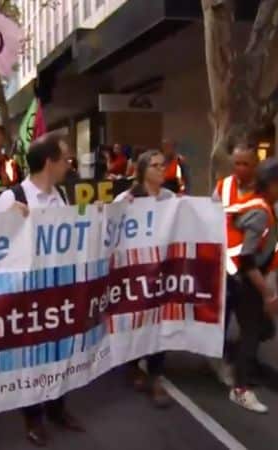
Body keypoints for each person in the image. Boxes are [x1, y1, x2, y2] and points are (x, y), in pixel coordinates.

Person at [0, 132, 85, 447]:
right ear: (50, 161)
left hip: (57, 291)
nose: (69, 165)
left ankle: (58, 407)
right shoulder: (12, 197)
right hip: (26, 294)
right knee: (31, 357)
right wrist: (9, 222)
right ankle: (32, 417)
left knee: (59, 352)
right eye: (66, 159)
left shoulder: (60, 196)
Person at [209, 142, 278, 387]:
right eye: (236, 163)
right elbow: (207, 217)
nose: (239, 168)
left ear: (255, 165)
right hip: (231, 265)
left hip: (263, 264)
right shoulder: (224, 187)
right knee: (232, 315)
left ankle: (245, 359)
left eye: (245, 163)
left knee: (261, 321)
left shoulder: (271, 192)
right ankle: (232, 363)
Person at [225, 158, 278, 414]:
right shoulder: (260, 212)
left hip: (246, 278)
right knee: (253, 331)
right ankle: (240, 389)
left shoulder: (268, 208)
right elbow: (247, 259)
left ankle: (236, 360)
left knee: (263, 328)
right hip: (241, 280)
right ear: (270, 184)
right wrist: (267, 293)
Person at [113, 149, 173, 409]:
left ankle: (156, 376)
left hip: (163, 272)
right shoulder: (127, 198)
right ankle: (134, 365)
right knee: (138, 321)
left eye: (163, 165)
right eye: (156, 166)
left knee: (160, 323)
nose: (162, 170)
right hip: (136, 273)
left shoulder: (171, 198)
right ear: (143, 170)